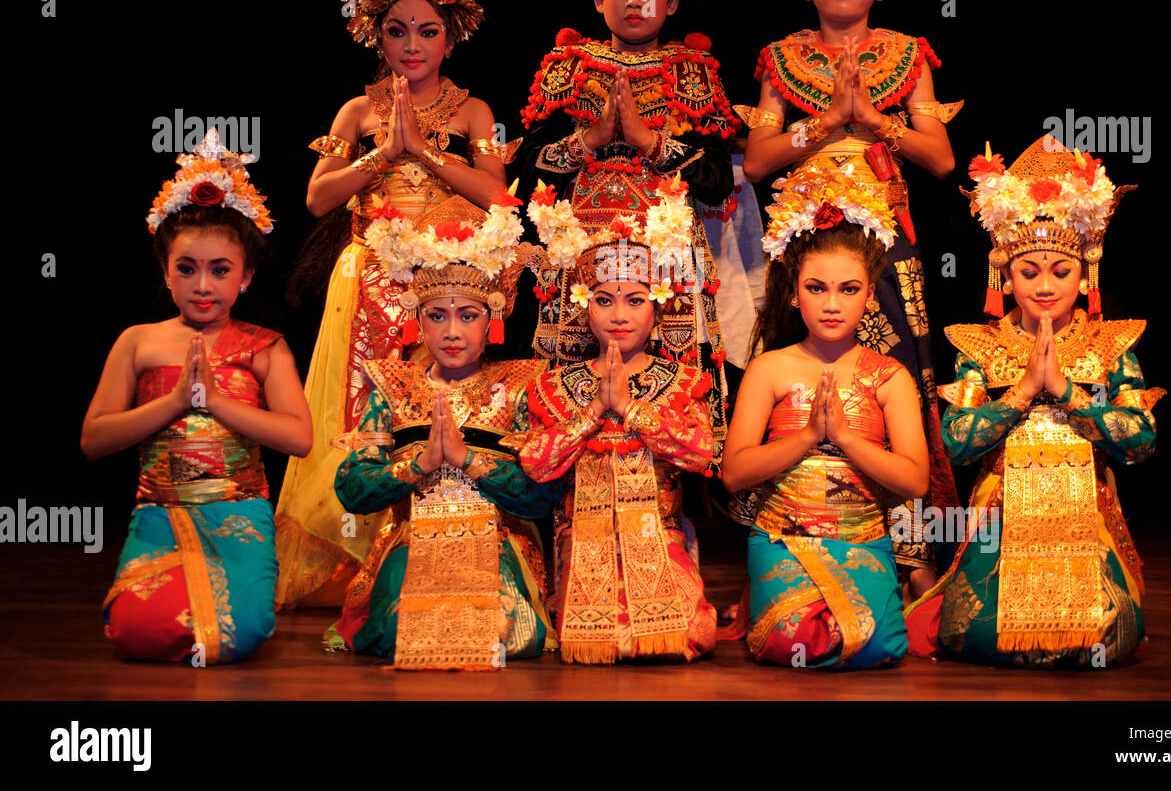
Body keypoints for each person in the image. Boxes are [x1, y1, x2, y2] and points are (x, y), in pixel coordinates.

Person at [276, 0, 512, 609]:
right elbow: (316, 198)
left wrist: (427, 156)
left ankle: (426, 543)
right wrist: (385, 152)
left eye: (428, 32)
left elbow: (499, 199)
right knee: (362, 413)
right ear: (377, 35)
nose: (412, 46)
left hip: (442, 290)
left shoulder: (473, 112)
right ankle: (353, 563)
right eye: (398, 32)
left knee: (432, 409)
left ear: (453, 33)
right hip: (368, 284)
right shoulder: (358, 111)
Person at [736, 0, 962, 590]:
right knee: (791, 372)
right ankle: (780, 535)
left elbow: (943, 158)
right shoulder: (782, 59)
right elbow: (755, 160)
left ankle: (907, 553)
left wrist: (874, 122)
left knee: (895, 379)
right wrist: (829, 121)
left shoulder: (906, 54)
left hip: (884, 247)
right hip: (806, 243)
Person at [513, 0, 740, 467]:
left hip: (663, 263)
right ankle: (568, 503)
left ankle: (669, 507)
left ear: (671, 3)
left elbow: (719, 182)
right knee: (570, 385)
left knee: (672, 390)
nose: (634, 2)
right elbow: (522, 179)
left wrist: (649, 144)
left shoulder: (689, 72)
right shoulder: (567, 66)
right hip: (579, 255)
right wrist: (586, 144)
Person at [906, 136, 1164, 667]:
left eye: (1060, 271)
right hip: (1001, 513)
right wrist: (1023, 391)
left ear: (1085, 270)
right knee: (973, 634)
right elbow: (953, 446)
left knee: (1105, 637)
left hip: (1085, 513)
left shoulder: (1110, 346)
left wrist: (1068, 394)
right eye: (1029, 271)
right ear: (1005, 272)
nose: (1044, 286)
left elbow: (1140, 444)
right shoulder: (981, 347)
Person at [85, 129, 312, 663]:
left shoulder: (265, 346)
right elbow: (94, 440)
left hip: (239, 515)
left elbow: (299, 438)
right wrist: (175, 402)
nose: (202, 285)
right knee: (136, 629)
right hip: (160, 515)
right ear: (166, 271)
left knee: (243, 629)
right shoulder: (137, 341)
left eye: (220, 270)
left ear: (247, 277)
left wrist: (214, 400)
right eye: (186, 269)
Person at [328, 189, 560, 669]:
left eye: (467, 315)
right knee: (397, 628)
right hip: (413, 537)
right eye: (437, 315)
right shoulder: (392, 387)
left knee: (513, 634)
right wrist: (420, 465)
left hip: (497, 540)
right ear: (418, 322)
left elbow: (542, 497)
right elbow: (352, 488)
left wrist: (469, 460)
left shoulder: (519, 387)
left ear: (491, 320)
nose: (452, 331)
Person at [504, 176, 717, 663]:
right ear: (584, 307)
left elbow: (702, 453)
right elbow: (536, 464)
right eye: (604, 300)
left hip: (658, 533)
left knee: (692, 634)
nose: (619, 314)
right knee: (594, 639)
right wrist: (599, 409)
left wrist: (632, 410)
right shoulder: (555, 383)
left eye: (635, 300)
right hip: (584, 537)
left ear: (658, 306)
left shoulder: (682, 378)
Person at [722, 161, 927, 668]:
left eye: (848, 289)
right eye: (816, 288)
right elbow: (733, 473)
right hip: (783, 539)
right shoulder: (769, 368)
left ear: (870, 297)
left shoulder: (890, 376)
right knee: (788, 641)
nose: (832, 304)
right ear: (794, 292)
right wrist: (810, 435)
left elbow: (916, 481)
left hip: (862, 539)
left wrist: (849, 440)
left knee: (879, 647)